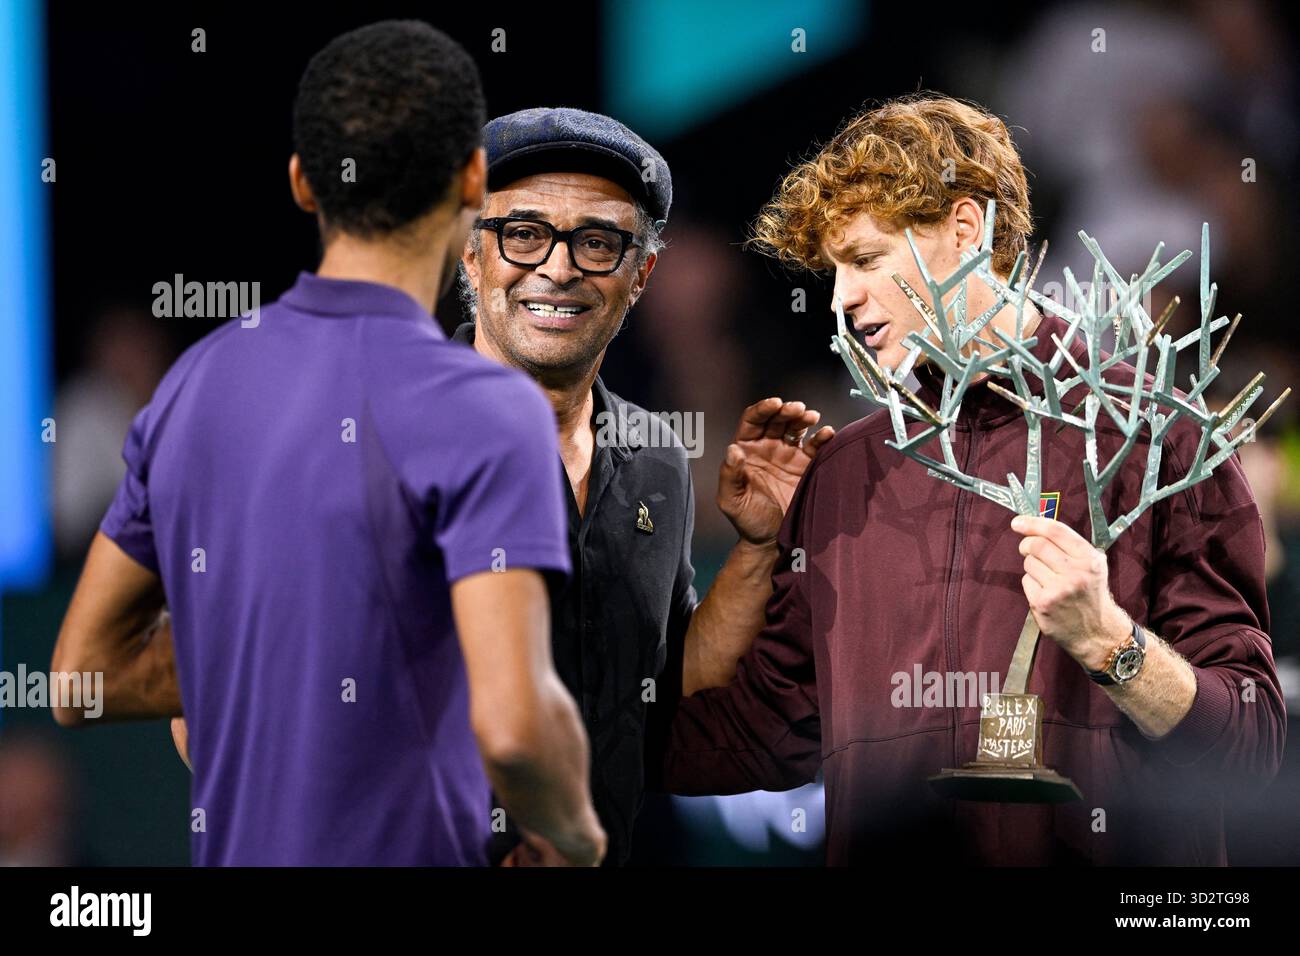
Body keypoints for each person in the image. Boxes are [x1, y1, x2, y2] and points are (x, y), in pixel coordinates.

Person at [653, 94, 1285, 865]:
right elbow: (745, 739)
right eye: (832, 273)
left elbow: (1251, 744)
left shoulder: (1159, 437)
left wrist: (1112, 643)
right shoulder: (844, 476)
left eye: (864, 260)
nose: (842, 300)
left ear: (965, 228)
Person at [50, 21, 604, 867]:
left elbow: (78, 679)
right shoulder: (490, 409)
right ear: (473, 179)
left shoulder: (196, 382)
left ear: (305, 183)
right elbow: (516, 725)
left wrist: (272, 652)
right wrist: (573, 836)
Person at [456, 107, 834, 865]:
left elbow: (666, 684)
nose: (559, 268)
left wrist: (759, 547)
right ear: (470, 253)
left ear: (641, 275)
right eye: (524, 234)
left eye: (598, 242)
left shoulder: (655, 457)